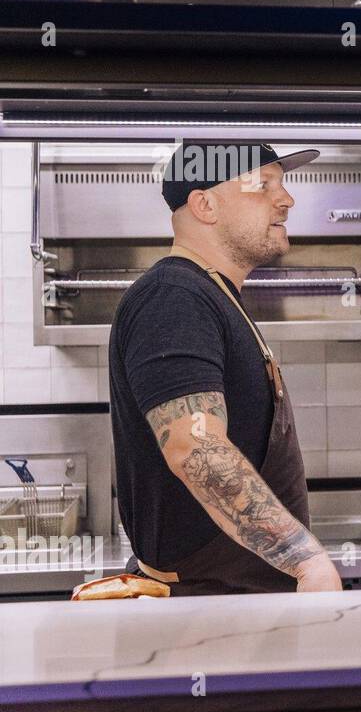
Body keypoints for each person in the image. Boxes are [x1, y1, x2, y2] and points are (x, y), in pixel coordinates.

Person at [109, 141, 341, 595]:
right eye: (262, 185)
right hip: (206, 611)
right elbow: (196, 450)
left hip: (238, 599)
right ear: (205, 204)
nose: (286, 199)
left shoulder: (214, 295)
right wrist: (306, 560)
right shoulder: (174, 297)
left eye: (283, 183)